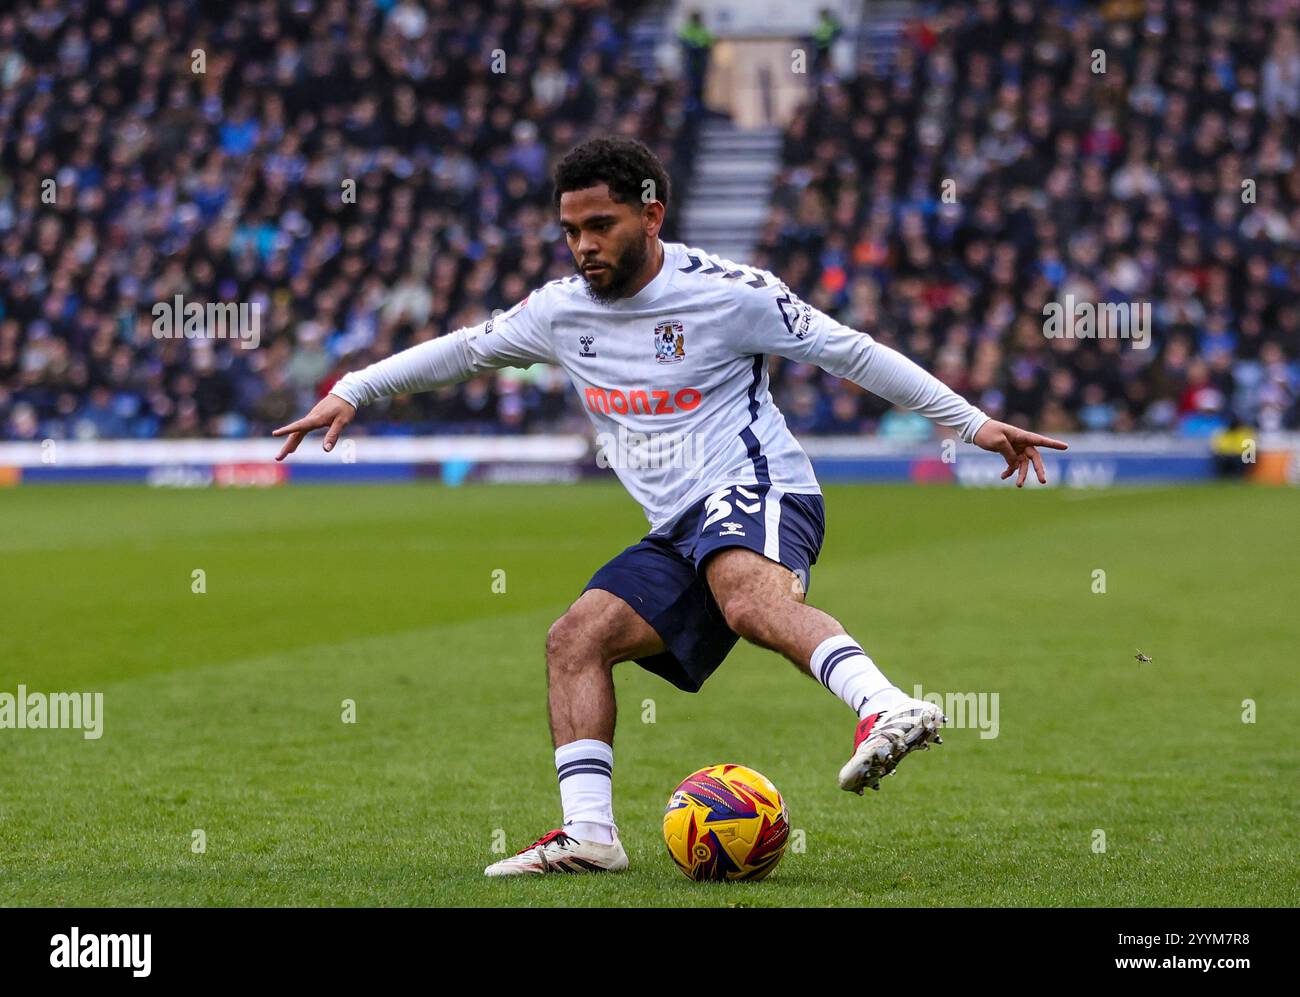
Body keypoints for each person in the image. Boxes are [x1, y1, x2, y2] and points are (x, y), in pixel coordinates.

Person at [273, 137, 1067, 876]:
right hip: (678, 525)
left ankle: (885, 706)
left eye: (601, 224)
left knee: (746, 594)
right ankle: (590, 835)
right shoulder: (559, 311)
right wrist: (353, 388)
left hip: (764, 490)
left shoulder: (731, 295)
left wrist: (971, 422)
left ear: (651, 215)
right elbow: (466, 350)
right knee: (574, 639)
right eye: (571, 228)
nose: (584, 244)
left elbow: (849, 350)